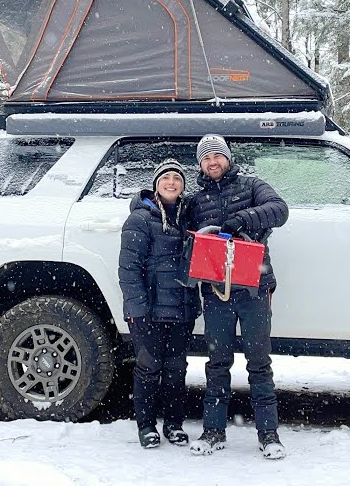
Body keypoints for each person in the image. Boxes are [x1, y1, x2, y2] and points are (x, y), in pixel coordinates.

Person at [186, 134, 290, 460]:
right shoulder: (196, 200)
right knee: (218, 364)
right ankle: (213, 431)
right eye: (206, 158)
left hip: (253, 289)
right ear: (200, 164)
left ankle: (269, 434)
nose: (212, 162)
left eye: (217, 155)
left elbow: (279, 210)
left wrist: (240, 220)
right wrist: (142, 202)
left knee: (259, 363)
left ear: (227, 159)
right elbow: (171, 218)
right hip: (216, 293)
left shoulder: (252, 186)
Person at [118, 159, 201, 449]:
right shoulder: (140, 219)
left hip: (181, 307)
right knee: (149, 368)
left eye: (177, 178)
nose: (171, 182)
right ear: (156, 184)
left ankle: (174, 424)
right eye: (165, 177)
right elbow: (129, 269)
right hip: (149, 310)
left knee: (177, 369)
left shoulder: (187, 217)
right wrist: (137, 309)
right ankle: (146, 425)